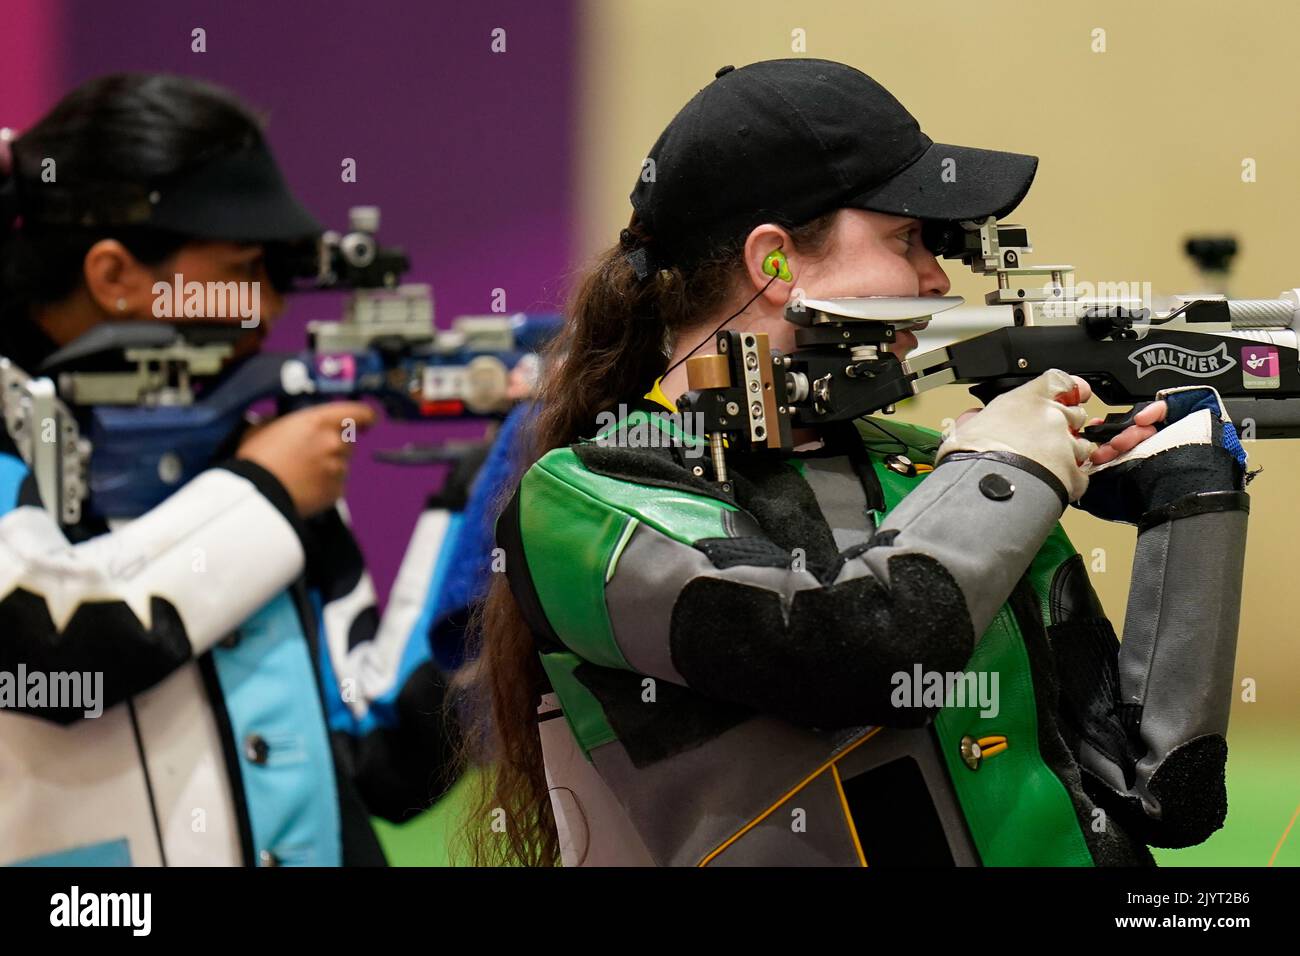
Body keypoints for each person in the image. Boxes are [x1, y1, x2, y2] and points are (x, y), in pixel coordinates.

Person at [465, 58, 1251, 866]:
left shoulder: (932, 472)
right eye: (906, 237)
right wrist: (1003, 475)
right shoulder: (583, 499)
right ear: (774, 261)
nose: (936, 278)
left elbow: (1165, 795)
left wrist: (1189, 501)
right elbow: (862, 652)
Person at [0, 73, 456, 866]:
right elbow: (51, 650)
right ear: (114, 276)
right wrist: (266, 494)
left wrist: (480, 503)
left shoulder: (240, 434)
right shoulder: (258, 472)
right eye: (243, 269)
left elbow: (383, 763)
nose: (272, 311)